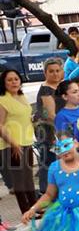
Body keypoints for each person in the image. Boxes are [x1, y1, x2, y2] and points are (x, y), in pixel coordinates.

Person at [0, 70, 39, 213]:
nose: (14, 82)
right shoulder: (3, 100)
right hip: (11, 144)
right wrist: (13, 143)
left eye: (16, 79)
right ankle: (26, 210)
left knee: (28, 177)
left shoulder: (21, 96)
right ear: (4, 83)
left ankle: (34, 207)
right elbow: (0, 125)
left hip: (26, 140)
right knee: (19, 180)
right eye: (9, 80)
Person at [35, 58, 65, 193]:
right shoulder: (46, 90)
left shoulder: (60, 86)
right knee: (48, 159)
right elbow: (50, 115)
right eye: (51, 71)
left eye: (58, 71)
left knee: (59, 158)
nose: (55, 74)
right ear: (45, 73)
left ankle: (56, 188)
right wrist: (60, 133)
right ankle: (45, 190)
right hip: (47, 129)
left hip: (60, 126)